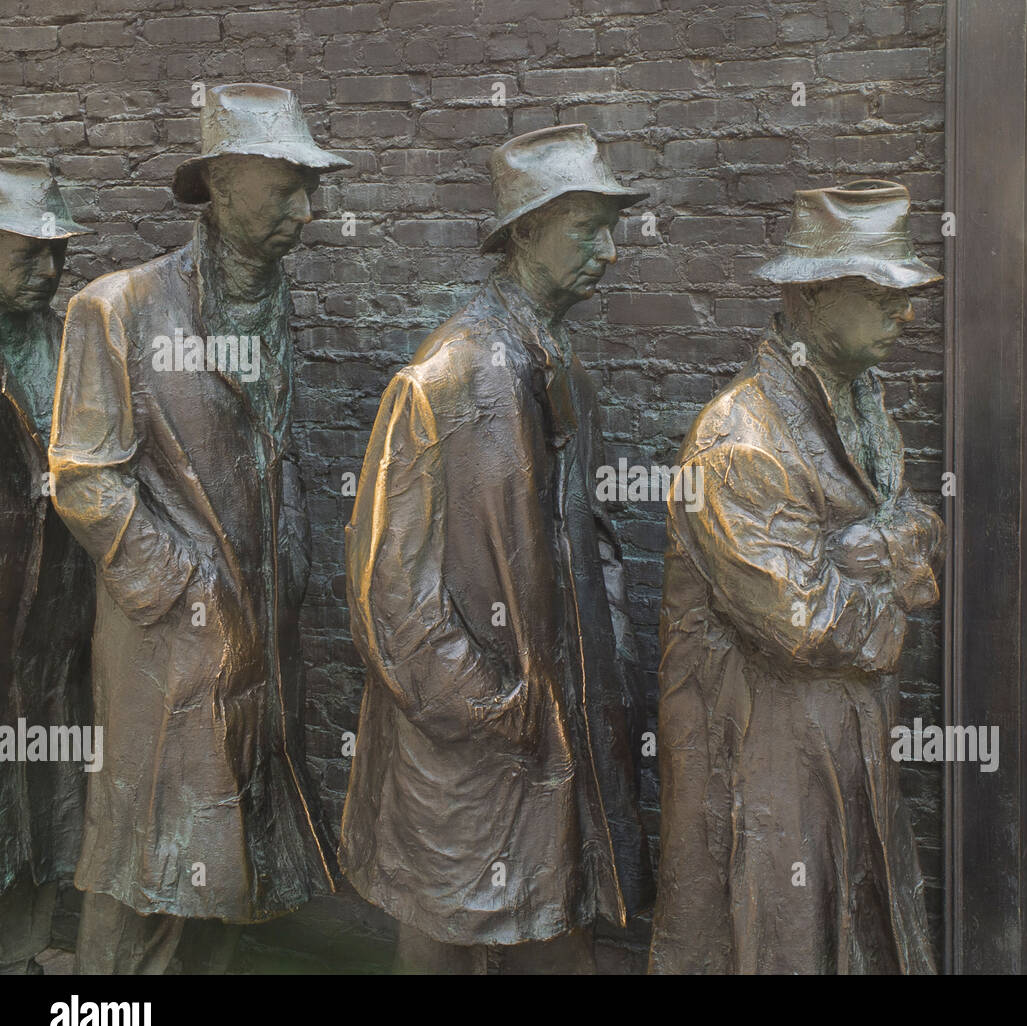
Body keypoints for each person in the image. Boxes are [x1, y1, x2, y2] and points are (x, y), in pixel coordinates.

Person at [50, 84, 351, 974]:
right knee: (140, 858)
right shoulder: (119, 308)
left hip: (261, 629)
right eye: (287, 186)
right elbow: (84, 479)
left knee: (233, 857)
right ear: (221, 184)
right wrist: (190, 586)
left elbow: (272, 449)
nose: (308, 208)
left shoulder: (275, 303)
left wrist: (283, 572)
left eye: (311, 188)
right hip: (164, 644)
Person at [341, 124, 653, 974]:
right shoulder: (445, 377)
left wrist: (613, 658)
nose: (610, 252)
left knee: (556, 938)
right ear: (523, 233)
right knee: (445, 944)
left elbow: (593, 537)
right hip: (468, 751)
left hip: (559, 735)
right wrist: (495, 704)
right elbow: (388, 589)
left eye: (611, 227)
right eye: (587, 227)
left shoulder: (563, 372)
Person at [649, 179, 945, 974]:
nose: (905, 314)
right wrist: (892, 577)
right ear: (813, 296)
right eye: (882, 293)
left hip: (843, 739)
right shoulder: (740, 440)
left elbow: (924, 527)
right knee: (773, 936)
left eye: (904, 294)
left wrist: (865, 549)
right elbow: (804, 623)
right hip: (761, 756)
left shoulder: (865, 405)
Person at [0, 160, 95, 976]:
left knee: (42, 785)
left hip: (54, 614)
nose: (51, 272)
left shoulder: (67, 343)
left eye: (57, 254)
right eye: (29, 254)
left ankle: (28, 945)